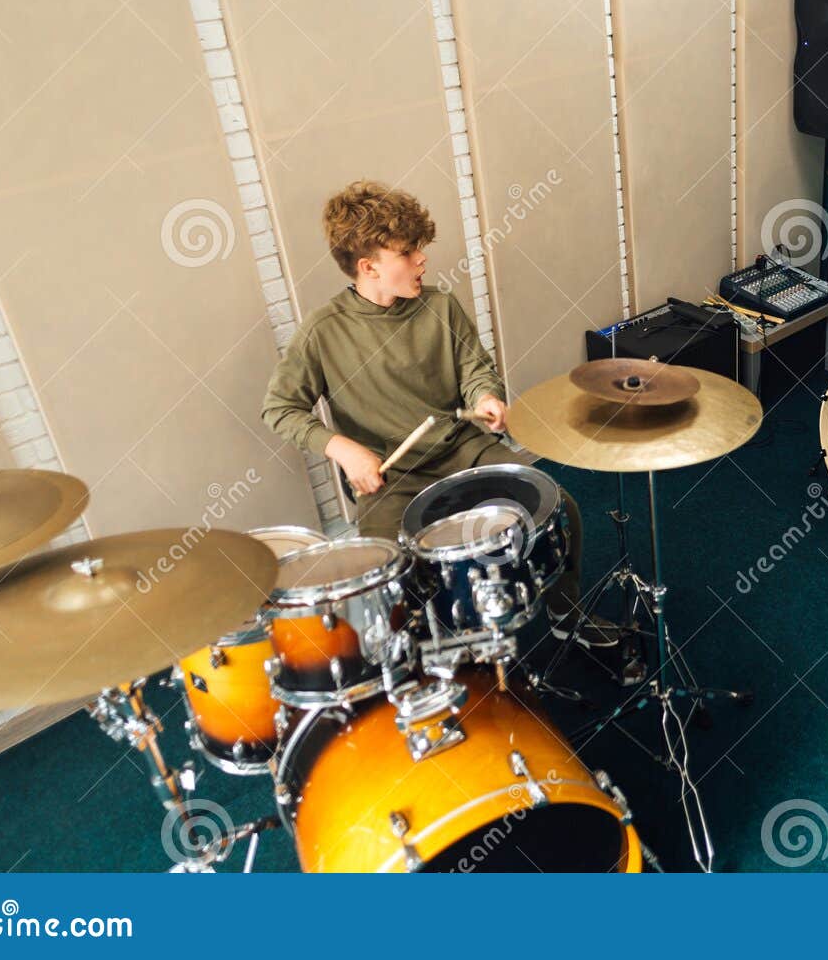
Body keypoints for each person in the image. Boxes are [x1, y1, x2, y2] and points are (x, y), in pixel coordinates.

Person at [262, 180, 618, 647]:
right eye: (408, 253)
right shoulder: (323, 331)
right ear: (368, 267)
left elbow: (475, 369)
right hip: (393, 477)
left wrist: (486, 396)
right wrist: (346, 451)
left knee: (558, 509)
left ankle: (565, 615)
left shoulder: (440, 307)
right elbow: (279, 408)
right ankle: (421, 658)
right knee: (385, 576)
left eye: (419, 249)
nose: (422, 260)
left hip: (461, 449)